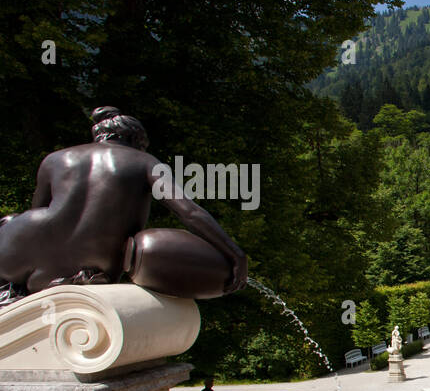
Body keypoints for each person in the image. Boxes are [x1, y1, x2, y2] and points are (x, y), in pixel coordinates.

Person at [0, 107, 247, 306]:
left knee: (11, 222)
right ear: (135, 139)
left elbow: (38, 212)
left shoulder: (55, 159)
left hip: (18, 247)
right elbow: (189, 212)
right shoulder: (144, 161)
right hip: (90, 263)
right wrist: (234, 253)